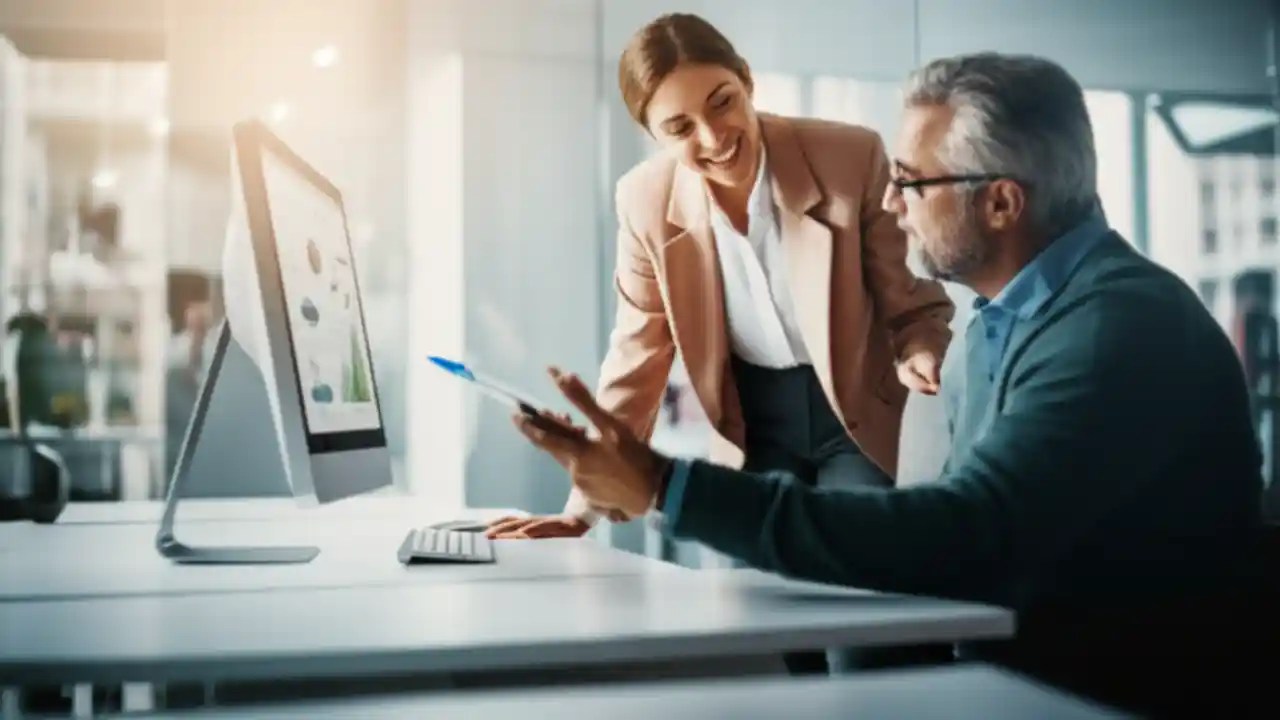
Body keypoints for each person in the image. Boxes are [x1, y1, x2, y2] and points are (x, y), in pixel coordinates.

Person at [512, 52, 1276, 716]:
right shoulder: (1002, 324)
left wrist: (666, 488)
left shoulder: (1114, 330)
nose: (887, 203)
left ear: (1002, 201)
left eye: (910, 182)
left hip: (1105, 699)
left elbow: (961, 537)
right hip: (1020, 678)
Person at [487, 12, 953, 543]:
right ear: (654, 134)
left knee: (851, 558)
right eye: (680, 128)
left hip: (855, 412)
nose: (713, 136)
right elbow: (637, 356)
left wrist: (918, 348)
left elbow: (906, 299)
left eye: (723, 101)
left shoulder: (848, 155)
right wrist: (580, 512)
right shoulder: (643, 201)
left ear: (747, 81)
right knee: (754, 596)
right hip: (752, 424)